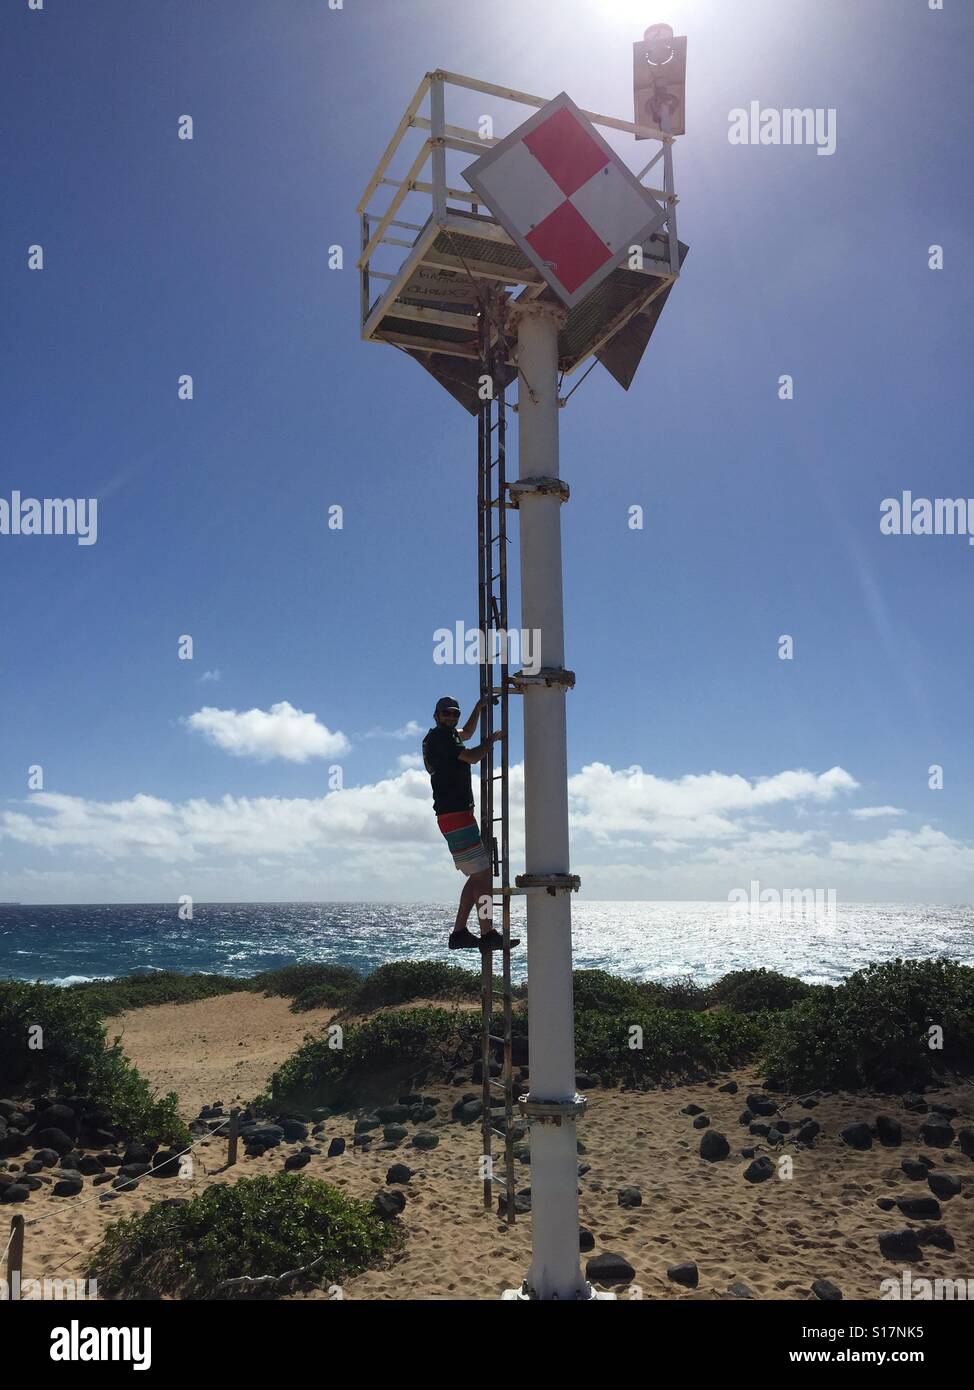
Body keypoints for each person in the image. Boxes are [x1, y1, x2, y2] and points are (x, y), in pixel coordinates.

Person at [422, 695, 520, 952]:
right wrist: (490, 742)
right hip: (456, 815)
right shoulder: (440, 738)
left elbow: (465, 732)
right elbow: (472, 756)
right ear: (436, 715)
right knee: (484, 876)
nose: (452, 717)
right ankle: (487, 934)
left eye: (455, 713)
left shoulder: (444, 735)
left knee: (476, 877)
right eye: (447, 714)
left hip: (451, 815)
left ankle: (459, 933)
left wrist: (478, 708)